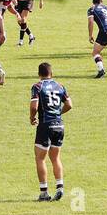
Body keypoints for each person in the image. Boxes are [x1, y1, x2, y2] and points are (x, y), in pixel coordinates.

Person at [30, 62, 72, 202]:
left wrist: (32, 117)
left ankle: (44, 192)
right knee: (55, 157)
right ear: (51, 73)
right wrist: (58, 113)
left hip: (45, 125)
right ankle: (60, 187)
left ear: (39, 74)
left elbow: (34, 106)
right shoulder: (60, 86)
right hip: (59, 125)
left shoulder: (37, 86)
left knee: (40, 158)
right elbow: (69, 105)